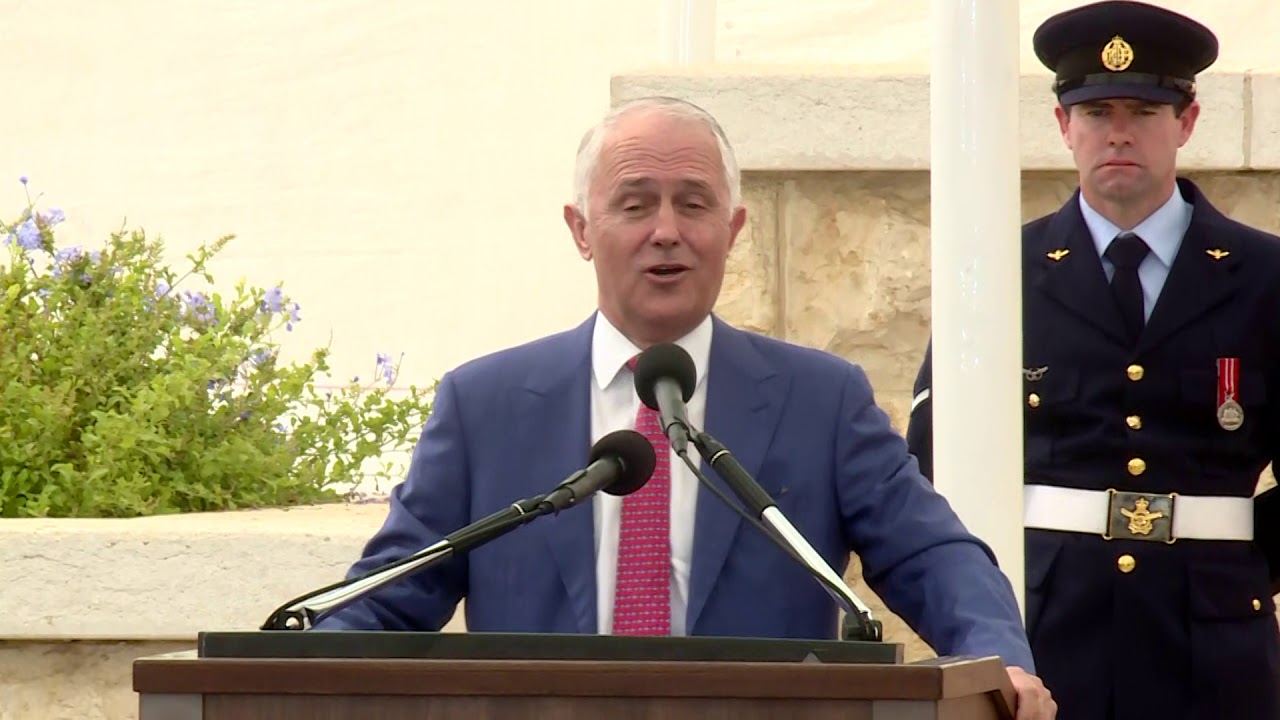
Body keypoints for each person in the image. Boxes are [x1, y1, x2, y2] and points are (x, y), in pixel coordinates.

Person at [314, 95, 1055, 718]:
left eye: (693, 204)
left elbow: (932, 555)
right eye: (634, 205)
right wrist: (294, 666)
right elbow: (390, 593)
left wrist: (1001, 661)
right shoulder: (486, 406)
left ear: (731, 231)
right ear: (580, 230)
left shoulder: (820, 400)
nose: (665, 230)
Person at [905, 2, 1280, 719]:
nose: (1117, 132)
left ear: (1187, 122)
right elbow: (933, 464)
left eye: (1143, 109)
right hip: (1044, 640)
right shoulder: (999, 274)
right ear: (1062, 125)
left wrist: (1243, 571)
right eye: (1096, 109)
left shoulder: (1264, 277)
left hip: (1213, 646)